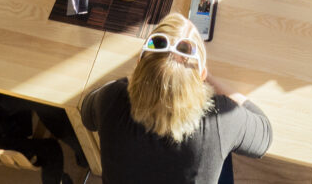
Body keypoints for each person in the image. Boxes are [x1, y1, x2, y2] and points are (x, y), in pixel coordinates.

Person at [79, 12, 272, 183]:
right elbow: (264, 135)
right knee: (223, 147)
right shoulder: (220, 119)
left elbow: (87, 114)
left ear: (139, 64)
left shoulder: (111, 100)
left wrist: (138, 81)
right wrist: (209, 78)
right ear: (201, 75)